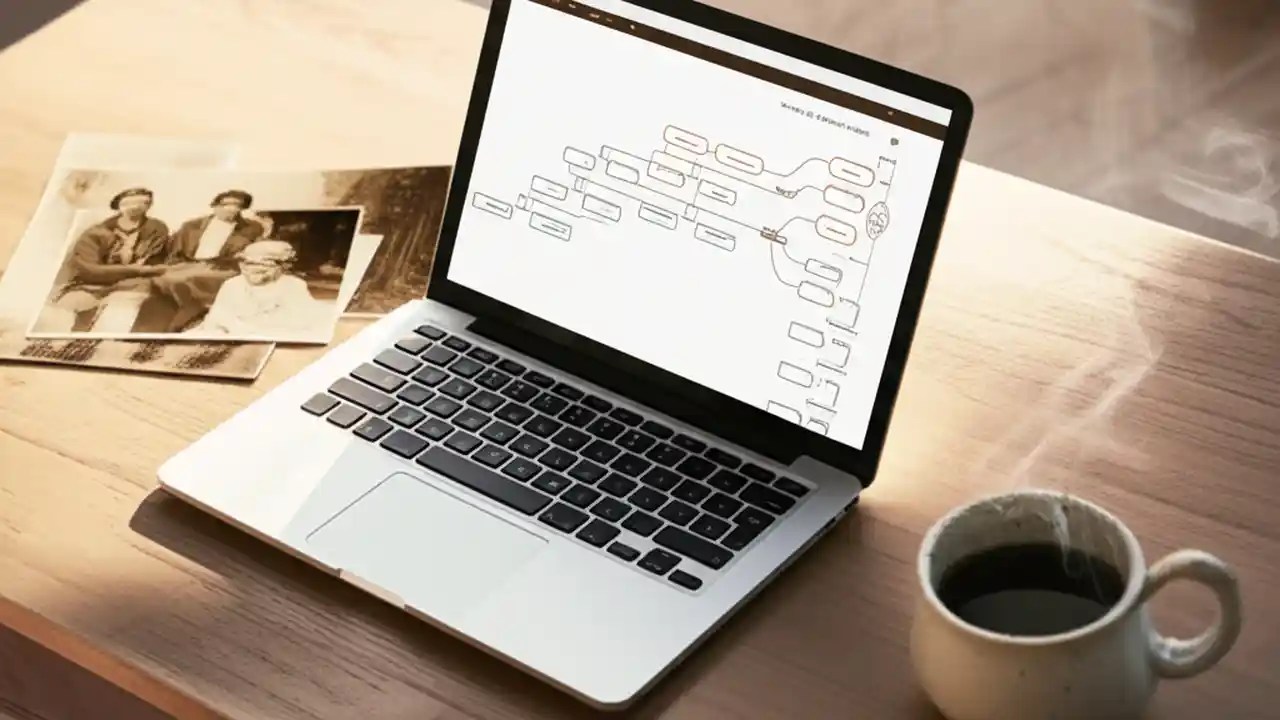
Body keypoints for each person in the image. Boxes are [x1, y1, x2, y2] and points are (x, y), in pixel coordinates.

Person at [47, 187, 170, 331]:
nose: (135, 207)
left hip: (132, 286)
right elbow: (90, 270)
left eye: (143, 203)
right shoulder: (96, 234)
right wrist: (135, 269)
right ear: (118, 206)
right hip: (90, 286)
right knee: (71, 311)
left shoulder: (156, 229)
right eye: (128, 203)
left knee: (123, 311)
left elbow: (157, 262)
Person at [151, 189, 265, 331]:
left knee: (184, 279)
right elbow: (176, 250)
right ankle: (192, 307)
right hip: (189, 263)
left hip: (224, 266)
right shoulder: (192, 225)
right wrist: (176, 265)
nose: (231, 209)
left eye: (237, 205)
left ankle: (191, 312)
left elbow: (253, 250)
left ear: (242, 208)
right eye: (225, 204)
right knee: (162, 278)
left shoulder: (252, 228)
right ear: (215, 206)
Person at [191, 240, 325, 339]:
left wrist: (245, 328)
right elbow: (217, 319)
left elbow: (300, 323)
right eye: (248, 263)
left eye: (265, 264)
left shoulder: (293, 286)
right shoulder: (233, 285)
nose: (254, 269)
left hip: (272, 340)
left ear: (284, 266)